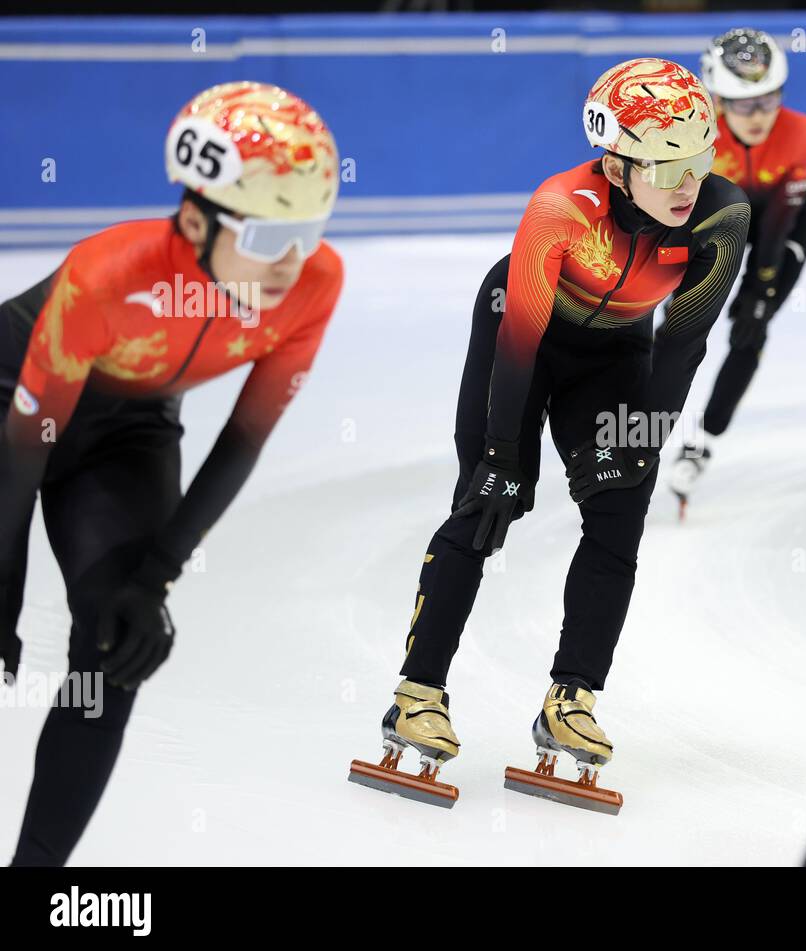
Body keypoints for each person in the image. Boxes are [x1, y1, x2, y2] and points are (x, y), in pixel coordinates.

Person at [367, 58, 749, 799]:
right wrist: (504, 454)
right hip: (523, 335)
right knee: (487, 502)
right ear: (615, 162)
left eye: (698, 160)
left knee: (619, 514)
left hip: (616, 353)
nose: (686, 184)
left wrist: (647, 437)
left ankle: (570, 700)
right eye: (665, 165)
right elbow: (518, 347)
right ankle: (417, 695)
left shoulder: (722, 215)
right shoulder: (560, 209)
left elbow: (685, 342)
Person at [1, 81, 343, 865]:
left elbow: (243, 439)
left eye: (309, 230)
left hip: (130, 430)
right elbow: (24, 446)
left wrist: (152, 581)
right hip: (11, 408)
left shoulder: (316, 282)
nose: (292, 262)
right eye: (265, 239)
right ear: (196, 220)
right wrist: (2, 598)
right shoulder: (108, 274)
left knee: (114, 652)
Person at [668, 28, 806, 515]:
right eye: (742, 103)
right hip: (721, 216)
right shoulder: (695, 136)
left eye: (768, 99)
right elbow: (686, 216)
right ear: (716, 100)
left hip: (785, 217)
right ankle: (645, 427)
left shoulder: (805, 133)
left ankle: (703, 443)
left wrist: (761, 287)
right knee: (678, 326)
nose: (757, 115)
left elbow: (778, 224)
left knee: (750, 329)